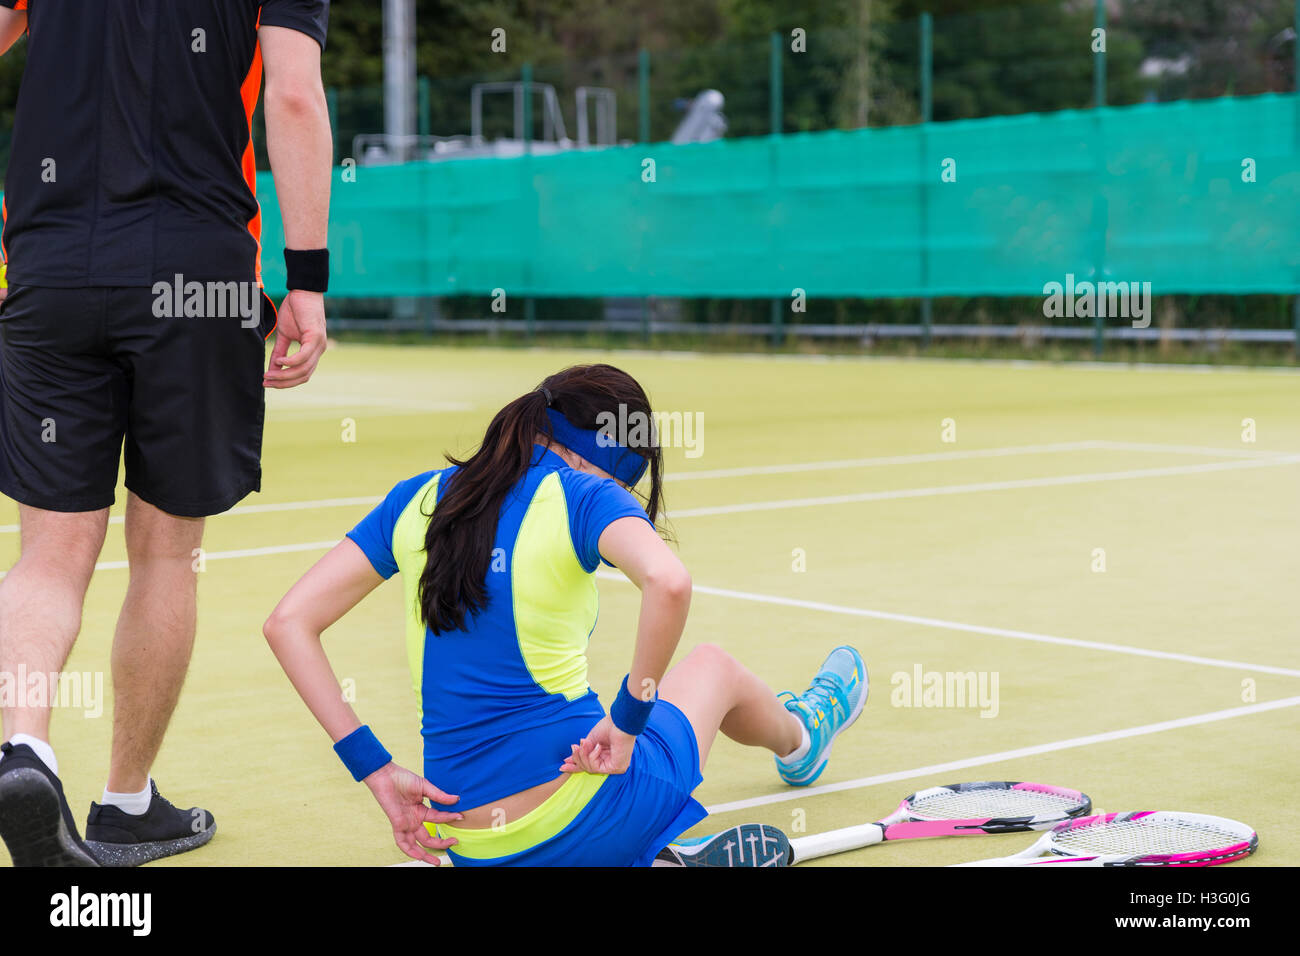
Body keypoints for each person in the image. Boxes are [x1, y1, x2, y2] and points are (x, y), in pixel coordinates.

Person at [263, 363, 867, 866]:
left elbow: (287, 623)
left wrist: (374, 768)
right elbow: (669, 581)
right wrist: (629, 721)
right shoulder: (584, 494)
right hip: (587, 814)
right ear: (605, 459)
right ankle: (803, 739)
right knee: (713, 667)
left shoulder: (418, 497)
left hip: (470, 846)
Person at [0, 0, 333, 867]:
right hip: (199, 271)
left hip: (49, 262)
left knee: (48, 556)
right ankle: (125, 804)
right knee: (163, 553)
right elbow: (291, 96)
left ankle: (22, 751)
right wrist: (309, 281)